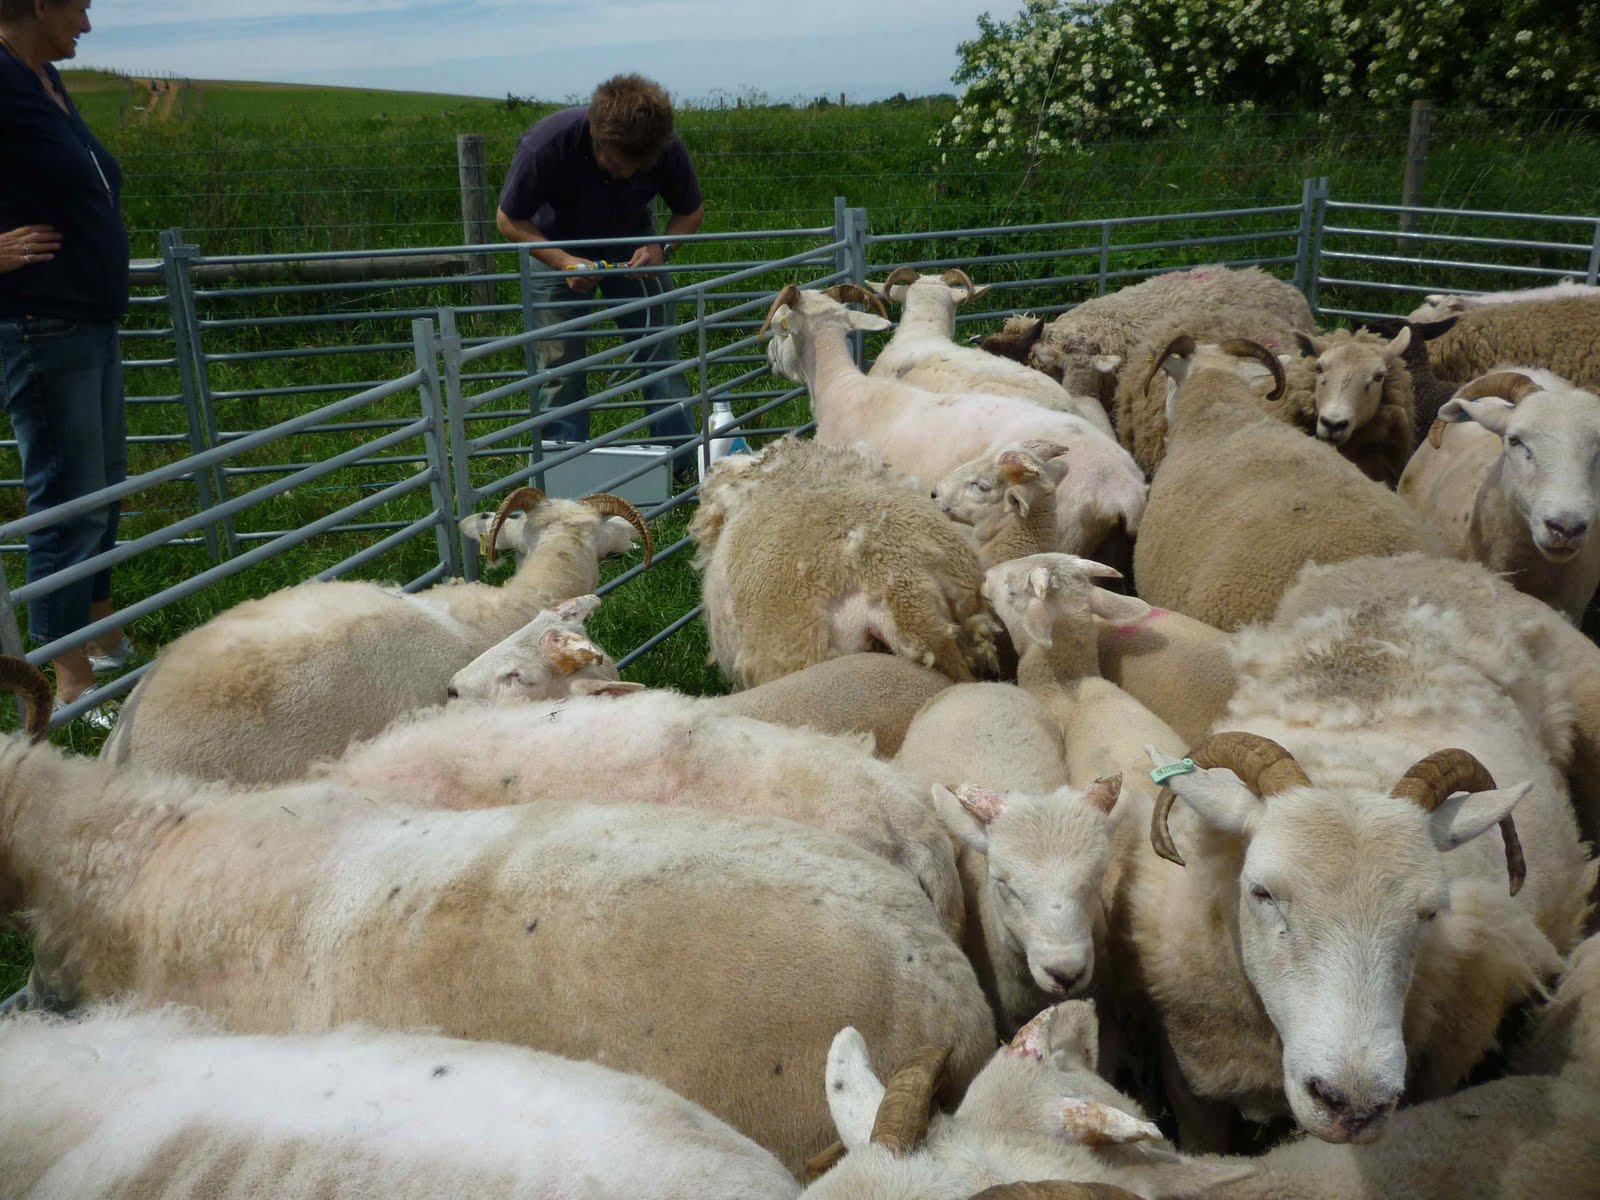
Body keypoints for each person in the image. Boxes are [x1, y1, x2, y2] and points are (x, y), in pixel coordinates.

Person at [0, 0, 132, 720]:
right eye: (79, 6)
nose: (86, 22)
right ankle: (68, 676)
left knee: (103, 483)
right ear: (41, 4)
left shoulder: (41, 75)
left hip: (84, 316)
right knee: (68, 497)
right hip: (38, 322)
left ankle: (98, 621)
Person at [495, 73, 706, 457]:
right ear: (597, 133)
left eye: (638, 165)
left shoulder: (664, 145)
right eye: (618, 161)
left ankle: (678, 461)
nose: (627, 172)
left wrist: (661, 247)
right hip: (556, 245)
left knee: (659, 351)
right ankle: (563, 470)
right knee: (560, 366)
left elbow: (690, 211)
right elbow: (508, 219)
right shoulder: (545, 145)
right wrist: (562, 261)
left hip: (635, 243)